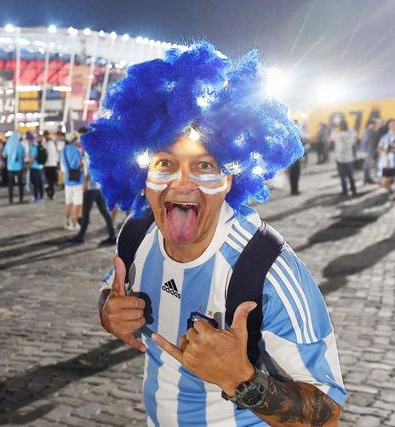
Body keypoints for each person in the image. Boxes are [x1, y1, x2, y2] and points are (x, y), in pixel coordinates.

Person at [87, 42, 346, 426]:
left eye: (204, 165)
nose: (182, 182)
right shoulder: (138, 232)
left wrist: (241, 380)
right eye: (165, 163)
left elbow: (326, 413)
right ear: (142, 177)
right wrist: (109, 311)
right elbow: (113, 291)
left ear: (230, 178)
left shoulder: (268, 270)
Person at [67, 150, 116, 245]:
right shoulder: (99, 152)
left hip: (91, 187)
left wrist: (85, 182)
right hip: (99, 187)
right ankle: (112, 236)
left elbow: (89, 170)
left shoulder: (88, 152)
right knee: (104, 212)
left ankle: (80, 237)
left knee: (86, 214)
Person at [330, 120, 357, 197]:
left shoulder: (337, 135)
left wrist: (334, 128)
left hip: (340, 158)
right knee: (351, 176)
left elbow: (331, 139)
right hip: (349, 158)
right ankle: (354, 190)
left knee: (342, 176)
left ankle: (345, 191)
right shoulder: (351, 133)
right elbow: (354, 143)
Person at [61, 133, 83, 230]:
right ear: (74, 140)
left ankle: (66, 221)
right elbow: (78, 164)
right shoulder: (75, 150)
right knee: (77, 203)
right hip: (77, 180)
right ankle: (74, 223)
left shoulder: (64, 150)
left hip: (68, 180)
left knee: (68, 203)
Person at [3, 133, 26, 204]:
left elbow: (4, 155)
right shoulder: (21, 146)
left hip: (10, 167)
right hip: (19, 167)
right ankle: (21, 198)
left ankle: (10, 199)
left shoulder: (7, 145)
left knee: (10, 184)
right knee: (20, 184)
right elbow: (23, 157)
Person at [377, 119, 395, 195]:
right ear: (388, 126)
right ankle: (391, 191)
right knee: (383, 182)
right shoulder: (385, 137)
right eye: (391, 125)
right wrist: (383, 151)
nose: (393, 126)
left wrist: (390, 150)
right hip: (388, 163)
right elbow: (379, 148)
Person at [27, 136, 45, 202]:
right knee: (40, 183)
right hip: (40, 167)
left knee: (35, 183)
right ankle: (42, 196)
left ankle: (36, 196)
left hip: (34, 168)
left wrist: (29, 166)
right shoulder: (39, 146)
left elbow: (32, 158)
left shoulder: (32, 147)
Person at [42, 132, 59, 200]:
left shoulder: (46, 144)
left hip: (49, 165)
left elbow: (55, 153)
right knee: (50, 180)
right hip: (51, 164)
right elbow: (56, 154)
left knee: (49, 180)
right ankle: (51, 193)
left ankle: (50, 192)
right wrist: (57, 163)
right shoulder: (50, 144)